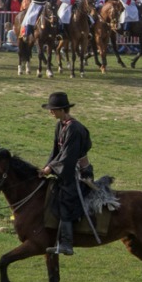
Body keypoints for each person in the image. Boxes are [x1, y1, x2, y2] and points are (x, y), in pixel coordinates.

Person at [42, 91, 92, 256]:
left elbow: (68, 157)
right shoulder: (60, 125)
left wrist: (50, 169)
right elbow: (56, 152)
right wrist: (46, 167)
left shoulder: (74, 129)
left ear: (63, 110)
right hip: (66, 170)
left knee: (66, 200)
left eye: (53, 109)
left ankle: (66, 243)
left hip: (79, 173)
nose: (51, 112)